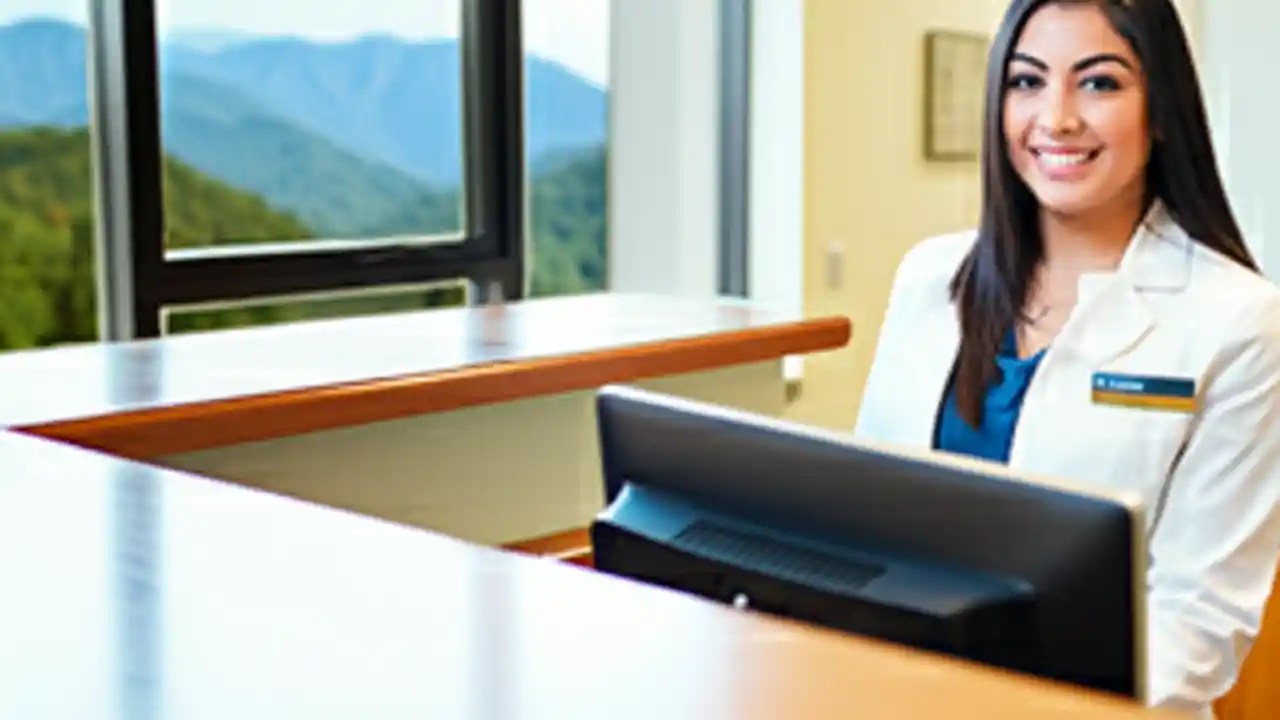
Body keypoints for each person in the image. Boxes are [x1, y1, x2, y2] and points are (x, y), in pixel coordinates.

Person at [853, 0, 1280, 715]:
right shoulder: (930, 278)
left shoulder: (1238, 322)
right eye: (1027, 82)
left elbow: (1197, 621)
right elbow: (866, 515)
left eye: (1100, 83)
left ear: (1163, 110)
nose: (1057, 118)